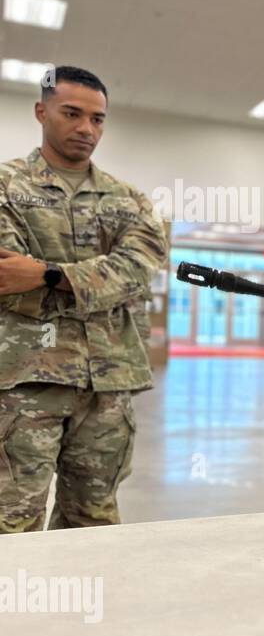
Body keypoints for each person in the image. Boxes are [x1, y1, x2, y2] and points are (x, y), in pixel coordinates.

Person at [0, 66, 168, 532]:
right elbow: (6, 282)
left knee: (93, 523)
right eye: (72, 113)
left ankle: (81, 606)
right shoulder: (6, 187)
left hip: (108, 387)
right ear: (41, 111)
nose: (86, 129)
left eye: (97, 119)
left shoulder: (128, 199)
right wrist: (99, 286)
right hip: (23, 385)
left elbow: (139, 270)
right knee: (11, 524)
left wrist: (47, 274)